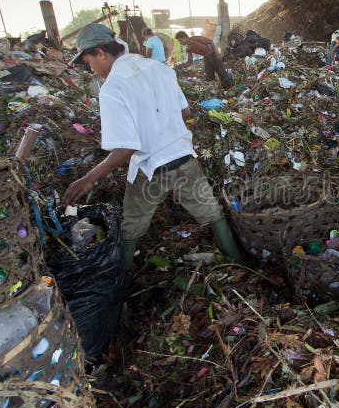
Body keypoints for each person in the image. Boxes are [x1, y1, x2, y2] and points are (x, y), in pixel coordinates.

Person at [63, 23, 241, 279]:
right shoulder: (160, 68)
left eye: (89, 61)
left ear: (101, 53)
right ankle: (240, 265)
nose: (90, 69)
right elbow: (185, 112)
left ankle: (120, 285)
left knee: (131, 226)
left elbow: (125, 148)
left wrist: (89, 178)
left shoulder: (112, 88)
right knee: (211, 212)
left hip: (151, 169)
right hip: (184, 159)